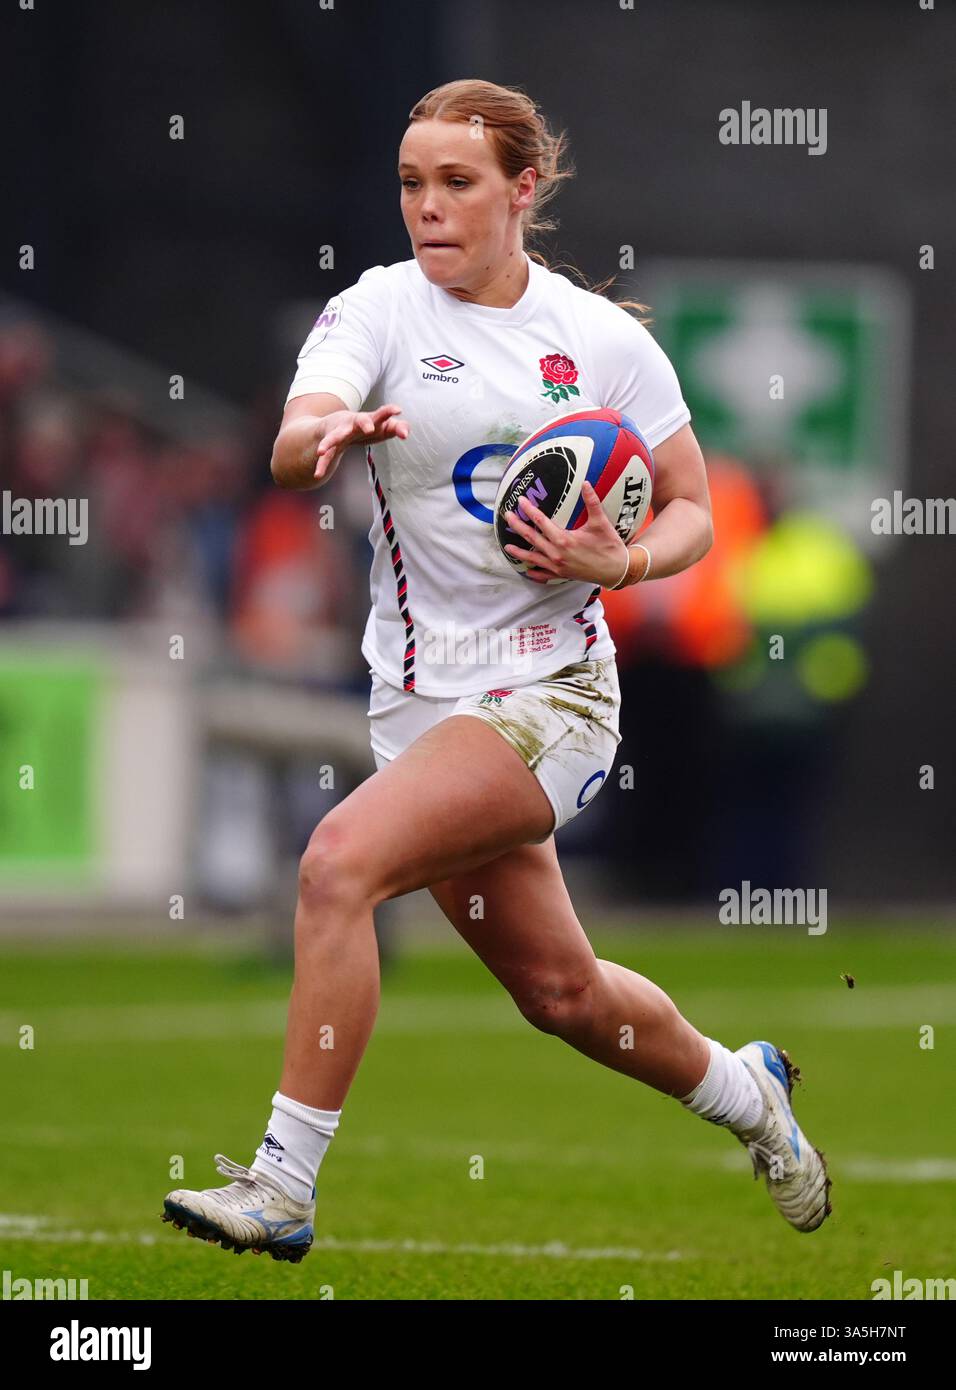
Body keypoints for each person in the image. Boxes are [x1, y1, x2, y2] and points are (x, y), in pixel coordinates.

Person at [162, 79, 830, 1262]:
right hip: (416, 709)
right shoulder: (375, 309)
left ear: (521, 191)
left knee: (335, 865)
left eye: (456, 182)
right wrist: (319, 438)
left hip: (552, 697)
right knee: (560, 996)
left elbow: (693, 508)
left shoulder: (599, 341)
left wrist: (616, 560)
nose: (428, 207)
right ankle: (747, 1091)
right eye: (411, 183)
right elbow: (287, 442)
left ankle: (281, 1181)